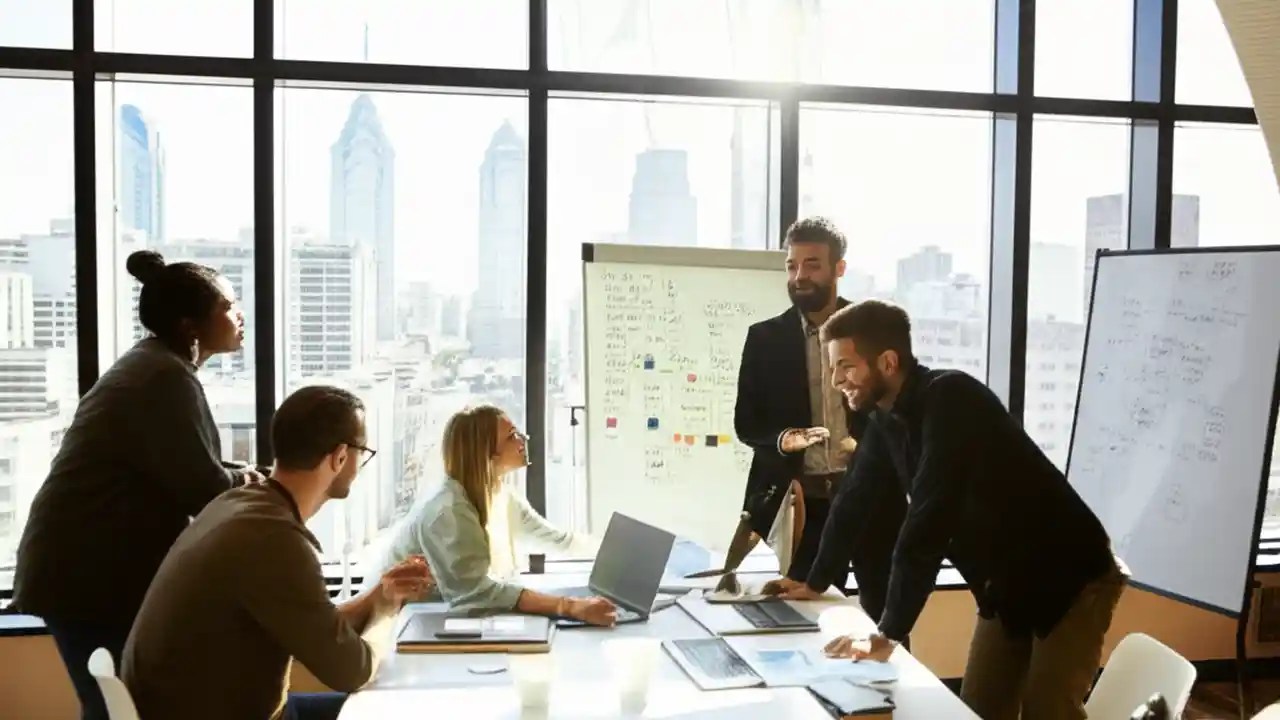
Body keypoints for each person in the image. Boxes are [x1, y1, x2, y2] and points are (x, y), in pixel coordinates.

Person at [779, 300, 1127, 720]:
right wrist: (814, 581)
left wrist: (888, 634)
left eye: (845, 366)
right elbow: (855, 499)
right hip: (1004, 584)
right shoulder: (887, 420)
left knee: (1047, 712)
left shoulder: (951, 399)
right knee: (978, 710)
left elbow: (927, 523)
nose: (835, 381)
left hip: (1073, 578)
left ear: (888, 362)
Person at [11, 250, 262, 720]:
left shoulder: (157, 367)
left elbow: (180, 462)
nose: (239, 314)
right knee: (124, 707)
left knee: (121, 706)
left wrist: (239, 473)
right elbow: (202, 486)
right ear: (191, 324)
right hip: (87, 578)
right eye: (229, 306)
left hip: (87, 573)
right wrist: (250, 478)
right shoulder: (163, 378)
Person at [121, 385, 434, 720]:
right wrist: (386, 610)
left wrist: (378, 595)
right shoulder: (275, 540)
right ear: (340, 457)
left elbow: (315, 628)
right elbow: (352, 671)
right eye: (363, 452)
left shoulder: (239, 504)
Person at [731, 217, 905, 618]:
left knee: (887, 616)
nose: (799, 276)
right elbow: (746, 423)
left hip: (871, 498)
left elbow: (900, 408)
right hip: (803, 506)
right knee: (801, 616)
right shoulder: (764, 339)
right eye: (792, 266)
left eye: (812, 264)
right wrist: (783, 438)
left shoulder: (875, 332)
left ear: (838, 268)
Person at [377, 404, 615, 626]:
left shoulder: (498, 494)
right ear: (487, 455)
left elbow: (555, 539)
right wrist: (569, 607)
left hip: (434, 618)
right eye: (512, 436)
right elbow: (479, 594)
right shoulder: (448, 511)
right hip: (397, 625)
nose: (523, 439)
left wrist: (611, 555)